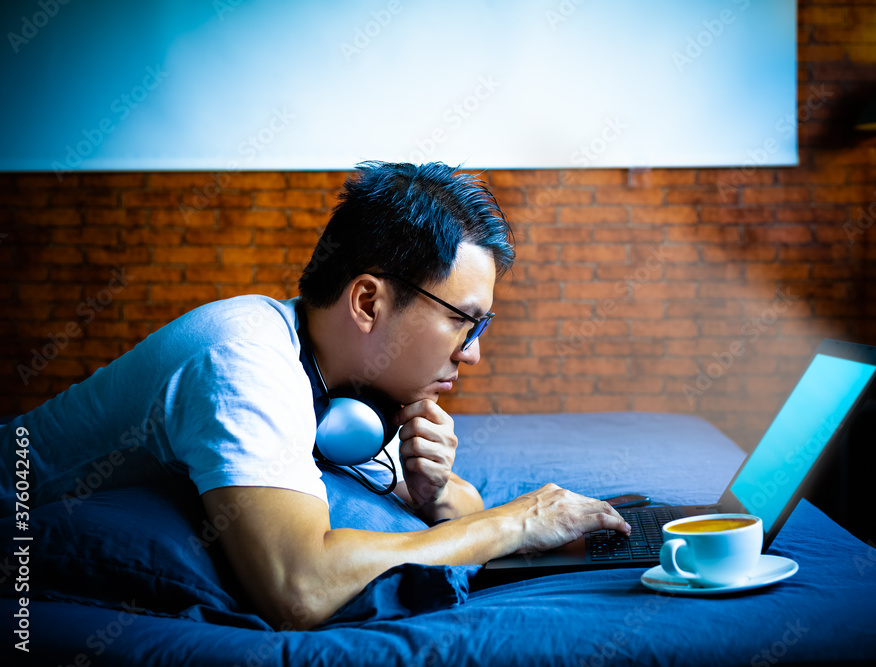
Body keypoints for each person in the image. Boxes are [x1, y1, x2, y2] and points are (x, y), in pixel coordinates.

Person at [0, 161, 630, 630]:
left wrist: (435, 492)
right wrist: (516, 522)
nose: (472, 354)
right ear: (368, 302)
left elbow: (460, 503)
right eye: (463, 321)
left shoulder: (351, 391)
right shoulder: (242, 360)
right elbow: (299, 588)